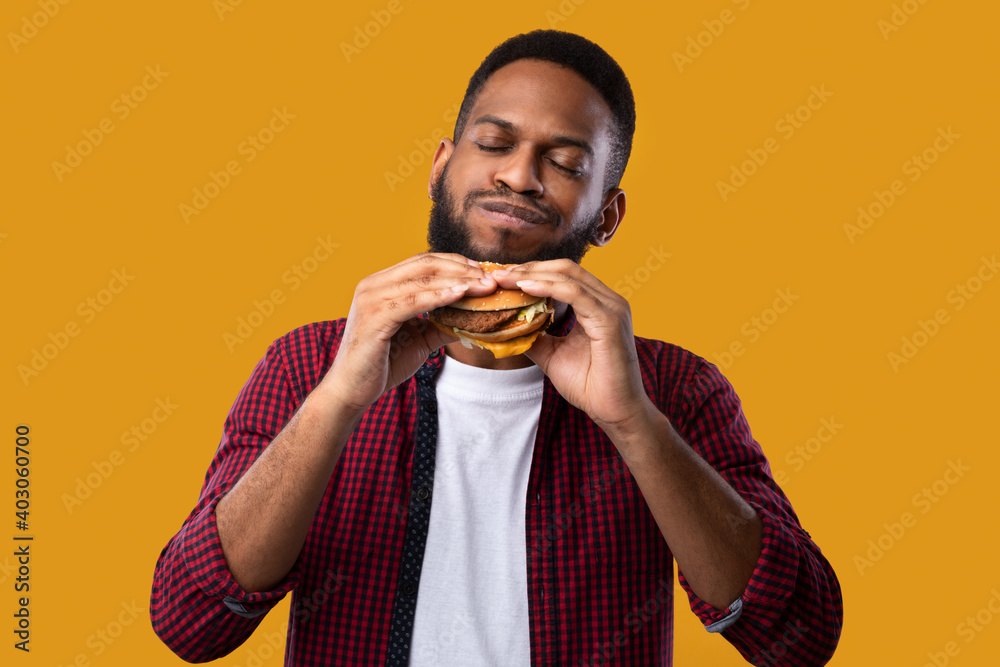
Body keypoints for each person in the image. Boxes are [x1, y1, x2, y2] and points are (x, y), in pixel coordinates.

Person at [151, 30, 843, 666]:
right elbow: (190, 620)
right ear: (440, 168)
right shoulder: (306, 364)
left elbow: (800, 636)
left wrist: (635, 424)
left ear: (607, 214)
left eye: (566, 161)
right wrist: (336, 400)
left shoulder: (673, 387)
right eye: (493, 143)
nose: (519, 175)